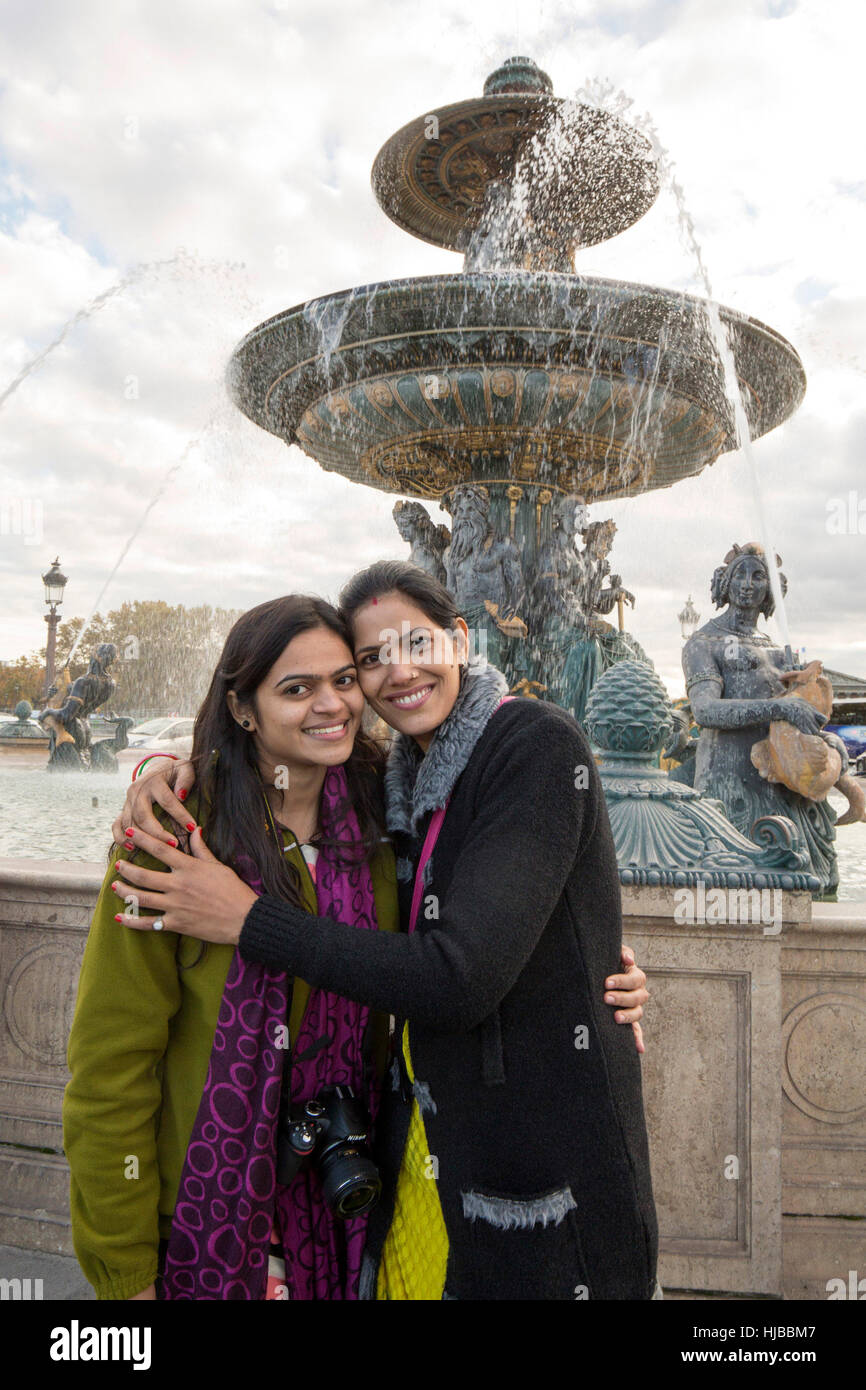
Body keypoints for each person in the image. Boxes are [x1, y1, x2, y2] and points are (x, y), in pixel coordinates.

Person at [111, 562, 658, 1300]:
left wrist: (247, 919)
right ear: (245, 708)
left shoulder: (529, 745)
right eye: (370, 660)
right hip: (404, 1157)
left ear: (460, 638)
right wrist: (166, 769)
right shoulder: (388, 788)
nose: (389, 676)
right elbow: (113, 1066)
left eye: (412, 644)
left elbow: (457, 973)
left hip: (540, 1168)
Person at [63, 596, 401, 1300]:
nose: (331, 705)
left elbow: (475, 931)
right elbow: (110, 1067)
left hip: (350, 1209)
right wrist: (125, 1275)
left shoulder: (383, 815)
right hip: (209, 1215)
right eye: (297, 689)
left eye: (343, 680)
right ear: (243, 709)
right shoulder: (172, 837)